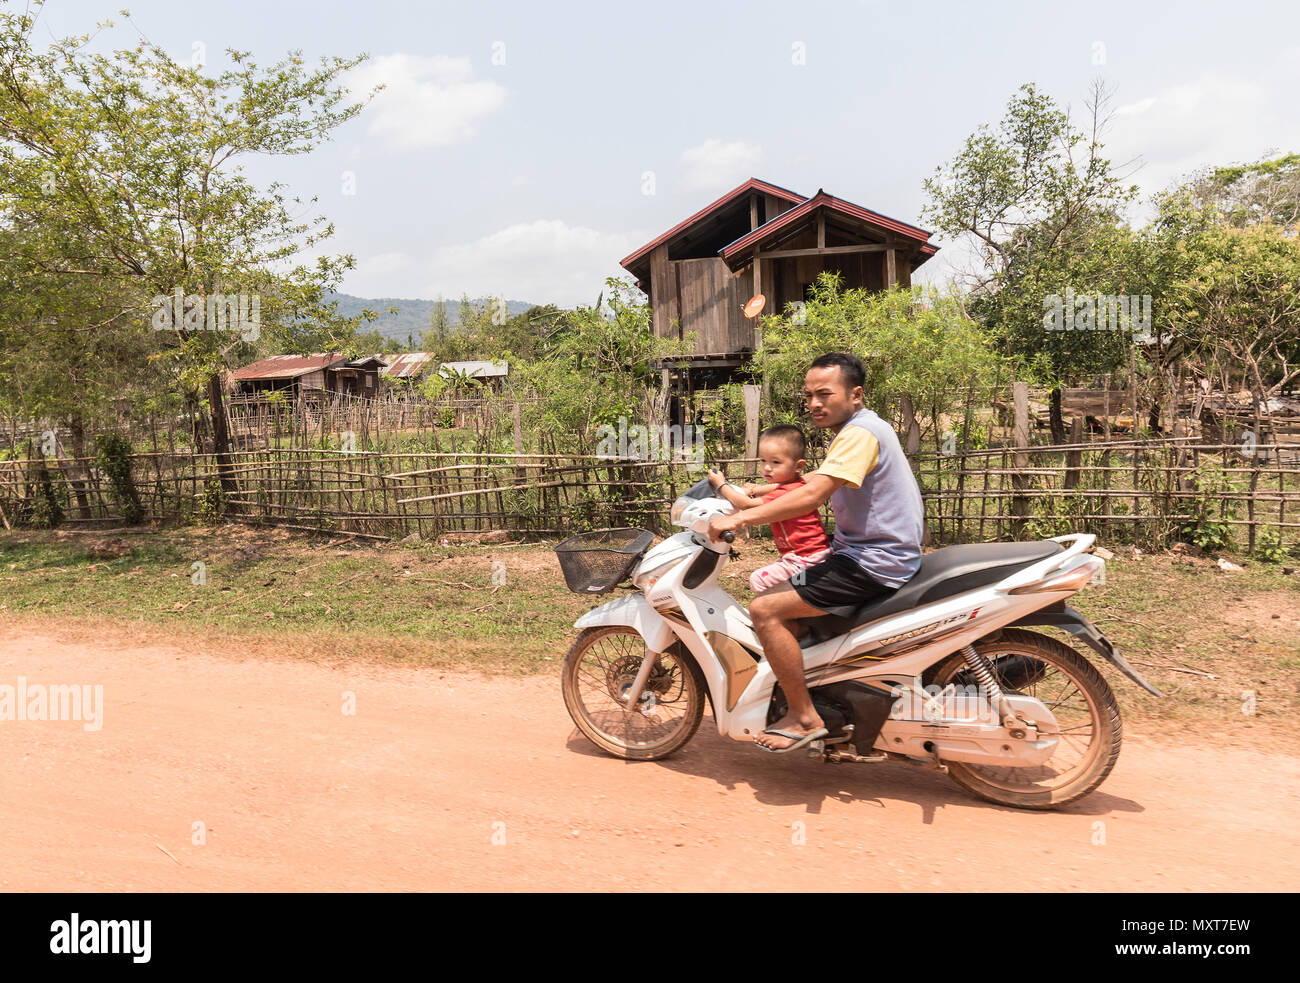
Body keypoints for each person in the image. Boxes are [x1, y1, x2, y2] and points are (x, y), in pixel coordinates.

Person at [707, 352, 924, 752]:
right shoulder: (865, 428)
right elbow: (804, 484)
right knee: (786, 594)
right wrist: (755, 491)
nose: (814, 404)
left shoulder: (860, 433)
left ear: (855, 394)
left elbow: (811, 493)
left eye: (824, 394)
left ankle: (804, 716)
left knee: (764, 609)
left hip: (871, 561)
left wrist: (739, 519)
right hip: (871, 553)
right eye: (809, 395)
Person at [705, 425, 831, 593]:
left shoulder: (784, 493)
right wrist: (756, 489)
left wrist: (721, 484)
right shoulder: (796, 485)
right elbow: (776, 489)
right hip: (808, 555)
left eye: (776, 462)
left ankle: (782, 616)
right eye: (763, 460)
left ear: (799, 466)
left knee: (759, 580)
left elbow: (746, 505)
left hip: (804, 560)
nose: (767, 467)